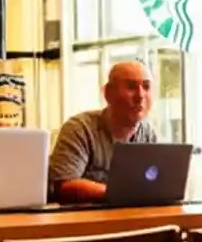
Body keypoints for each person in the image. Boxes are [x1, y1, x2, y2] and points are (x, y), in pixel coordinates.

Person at [49, 60, 157, 204]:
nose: (140, 96)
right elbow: (64, 186)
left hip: (131, 219)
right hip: (84, 222)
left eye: (147, 87)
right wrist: (122, 194)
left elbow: (155, 184)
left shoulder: (148, 134)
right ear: (108, 93)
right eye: (131, 87)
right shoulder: (80, 128)